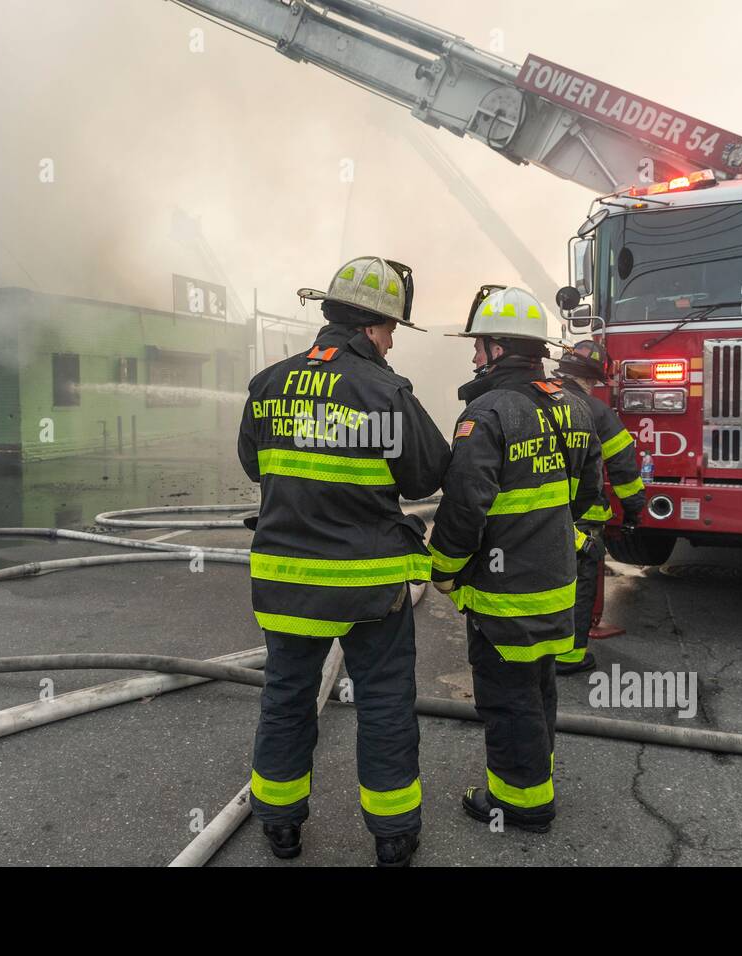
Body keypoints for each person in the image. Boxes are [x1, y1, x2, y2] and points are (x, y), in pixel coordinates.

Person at [237, 256, 450, 867]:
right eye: (390, 331)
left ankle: (279, 825)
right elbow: (427, 474)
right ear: (372, 326)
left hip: (285, 581)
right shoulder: (384, 391)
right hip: (368, 586)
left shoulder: (270, 383)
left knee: (286, 695)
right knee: (382, 702)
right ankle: (393, 836)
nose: (390, 344)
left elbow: (259, 467)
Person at [427, 285, 601, 833]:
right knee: (539, 689)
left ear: (499, 349)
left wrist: (444, 568)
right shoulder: (572, 405)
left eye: (478, 347)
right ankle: (534, 783)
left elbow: (464, 506)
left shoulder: (487, 413)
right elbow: (585, 495)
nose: (474, 357)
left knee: (507, 699)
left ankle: (520, 805)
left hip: (507, 591)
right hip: (555, 581)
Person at [553, 340, 646, 674]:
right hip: (584, 519)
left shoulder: (537, 400)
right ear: (592, 379)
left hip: (538, 515)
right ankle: (570, 656)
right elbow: (623, 466)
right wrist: (634, 510)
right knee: (578, 587)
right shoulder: (596, 412)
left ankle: (537, 650)